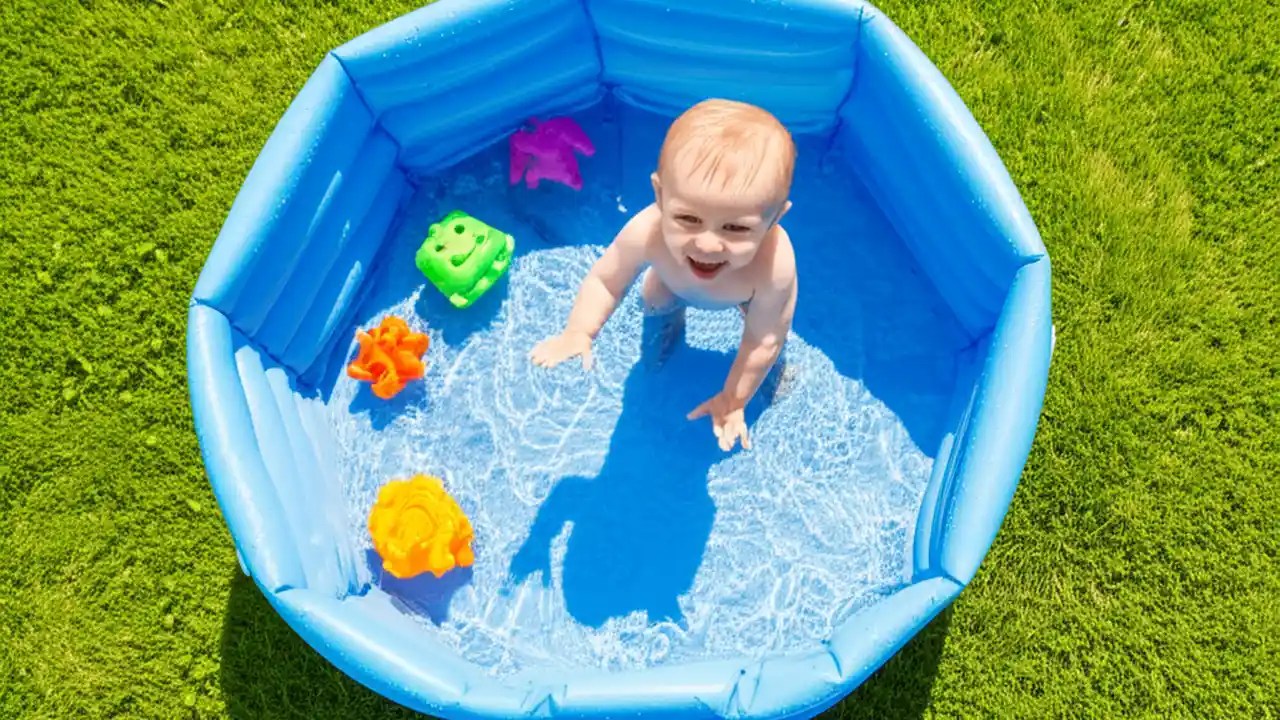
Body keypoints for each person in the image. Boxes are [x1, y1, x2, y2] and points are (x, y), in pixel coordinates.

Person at [530, 98, 798, 452]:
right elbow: (606, 281)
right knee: (654, 299)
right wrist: (579, 332)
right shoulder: (647, 232)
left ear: (774, 219)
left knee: (770, 340)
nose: (707, 244)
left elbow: (762, 340)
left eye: (734, 228)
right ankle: (667, 336)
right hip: (671, 284)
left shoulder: (773, 265)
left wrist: (734, 399)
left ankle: (764, 382)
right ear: (660, 195)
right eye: (688, 219)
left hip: (746, 298)